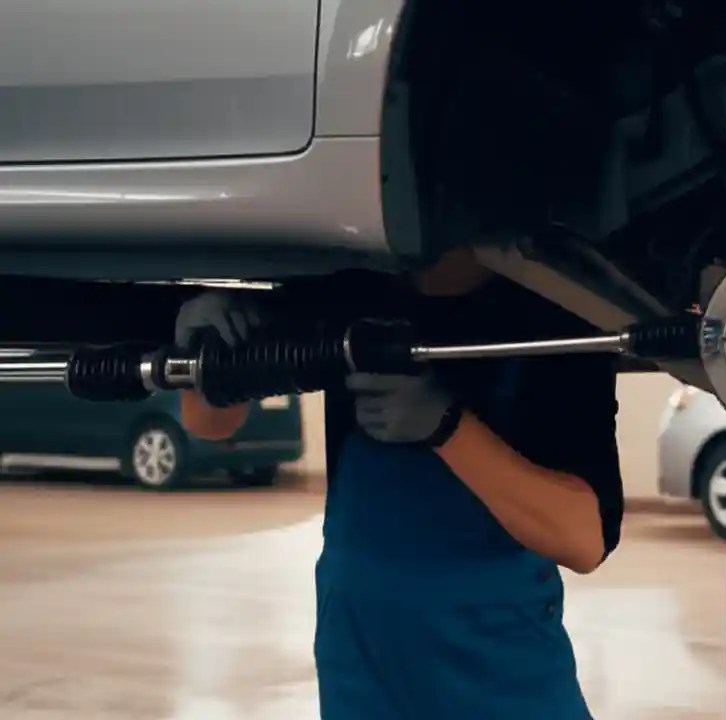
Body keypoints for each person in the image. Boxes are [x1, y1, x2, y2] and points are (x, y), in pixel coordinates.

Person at [174, 248, 624, 719]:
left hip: (500, 674)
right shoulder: (351, 291)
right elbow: (209, 423)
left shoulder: (552, 318)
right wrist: (209, 350)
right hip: (363, 667)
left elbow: (583, 539)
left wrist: (449, 428)